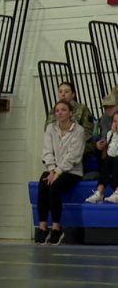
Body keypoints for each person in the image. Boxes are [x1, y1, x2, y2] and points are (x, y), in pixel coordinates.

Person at [36, 100, 84, 246]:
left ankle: (57, 228)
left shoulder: (79, 130)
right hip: (54, 169)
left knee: (54, 187)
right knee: (43, 182)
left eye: (64, 110)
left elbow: (73, 156)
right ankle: (43, 228)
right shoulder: (51, 128)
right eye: (57, 110)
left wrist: (57, 172)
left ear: (70, 113)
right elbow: (47, 151)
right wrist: (52, 170)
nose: (60, 113)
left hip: (72, 170)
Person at [44, 82, 94, 159]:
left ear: (73, 94)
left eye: (66, 92)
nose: (63, 94)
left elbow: (88, 131)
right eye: (60, 92)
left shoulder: (82, 109)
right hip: (59, 144)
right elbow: (47, 131)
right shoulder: (54, 111)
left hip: (80, 143)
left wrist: (69, 142)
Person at [85, 114, 118, 204]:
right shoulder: (110, 134)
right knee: (109, 160)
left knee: (116, 160)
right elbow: (112, 153)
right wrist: (115, 135)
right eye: (115, 121)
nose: (116, 123)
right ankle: (99, 193)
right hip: (114, 160)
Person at [94, 90, 118, 158]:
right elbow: (104, 136)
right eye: (106, 107)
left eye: (111, 106)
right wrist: (101, 144)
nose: (108, 109)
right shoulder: (104, 118)